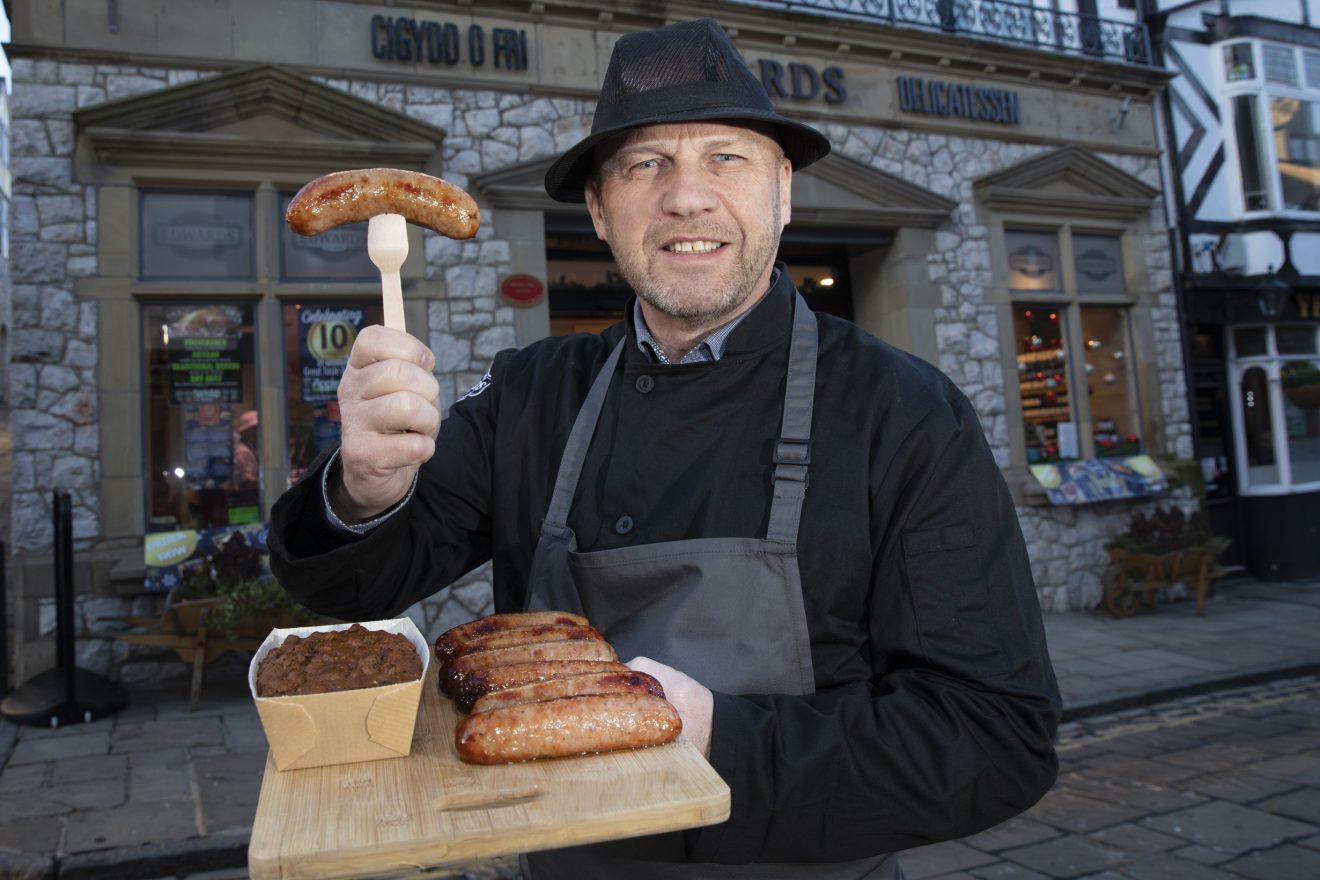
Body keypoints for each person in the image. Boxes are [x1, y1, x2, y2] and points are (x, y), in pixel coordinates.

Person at [269, 18, 1060, 879]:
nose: (687, 197)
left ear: (782, 192)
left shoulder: (904, 412)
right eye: (647, 165)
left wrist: (715, 738)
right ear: (601, 212)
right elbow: (351, 586)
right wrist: (364, 485)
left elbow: (995, 737)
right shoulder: (528, 394)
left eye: (728, 157)